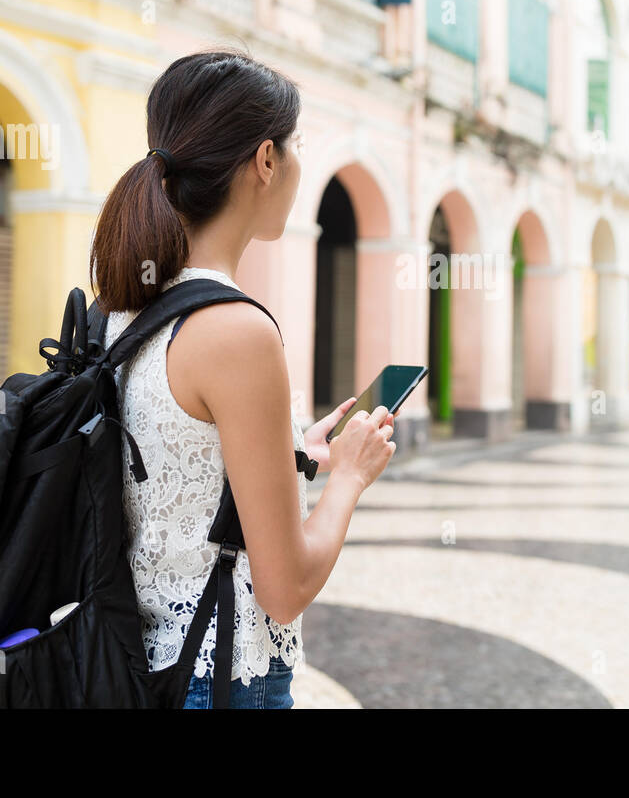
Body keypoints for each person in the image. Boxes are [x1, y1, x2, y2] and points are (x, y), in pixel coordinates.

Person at [90, 51, 398, 709]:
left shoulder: (121, 306)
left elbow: (175, 467)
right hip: (218, 675)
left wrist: (292, 454)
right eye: (295, 148)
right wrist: (348, 475)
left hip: (130, 666)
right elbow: (284, 588)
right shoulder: (238, 330)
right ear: (265, 161)